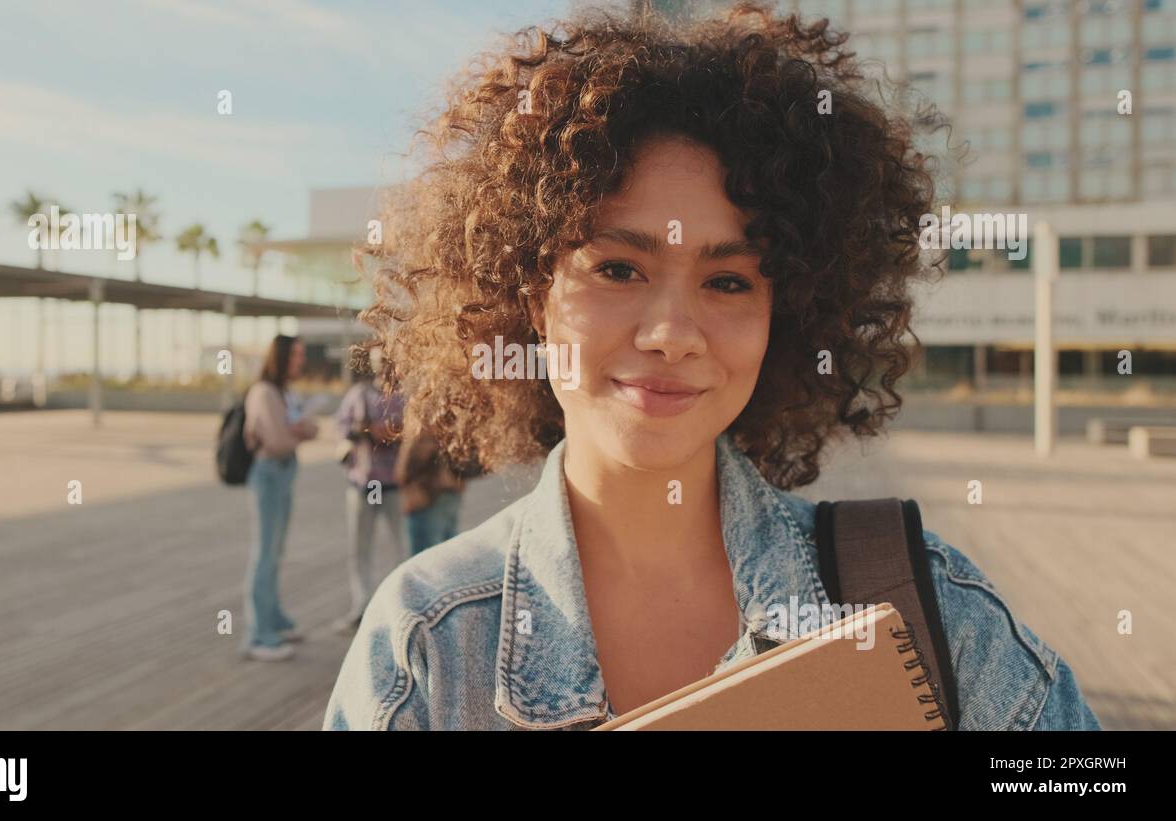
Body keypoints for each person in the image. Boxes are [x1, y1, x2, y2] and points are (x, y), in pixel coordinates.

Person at [324, 3, 1101, 729]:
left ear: (783, 317)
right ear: (531, 295)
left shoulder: (930, 607)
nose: (671, 333)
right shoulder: (425, 645)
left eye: (727, 281)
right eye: (619, 269)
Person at [241, 335, 318, 662]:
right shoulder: (265, 393)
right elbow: (276, 441)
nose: (301, 361)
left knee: (277, 549)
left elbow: (311, 429)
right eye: (296, 355)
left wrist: (298, 431)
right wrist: (298, 431)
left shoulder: (285, 391)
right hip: (269, 473)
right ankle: (258, 634)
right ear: (283, 357)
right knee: (264, 552)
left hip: (284, 472)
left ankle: (274, 617)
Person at [332, 345, 406, 635]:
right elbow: (341, 427)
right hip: (363, 482)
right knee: (360, 547)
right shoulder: (358, 395)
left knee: (400, 546)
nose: (382, 367)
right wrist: (359, 433)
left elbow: (413, 432)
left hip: (393, 482)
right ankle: (361, 606)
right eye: (378, 362)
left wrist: (390, 434)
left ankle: (398, 606)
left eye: (386, 361)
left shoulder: (405, 397)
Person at [395, 426, 466, 556]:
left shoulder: (423, 428)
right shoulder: (450, 423)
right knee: (449, 555)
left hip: (428, 499)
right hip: (447, 493)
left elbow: (405, 469)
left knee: (425, 559)